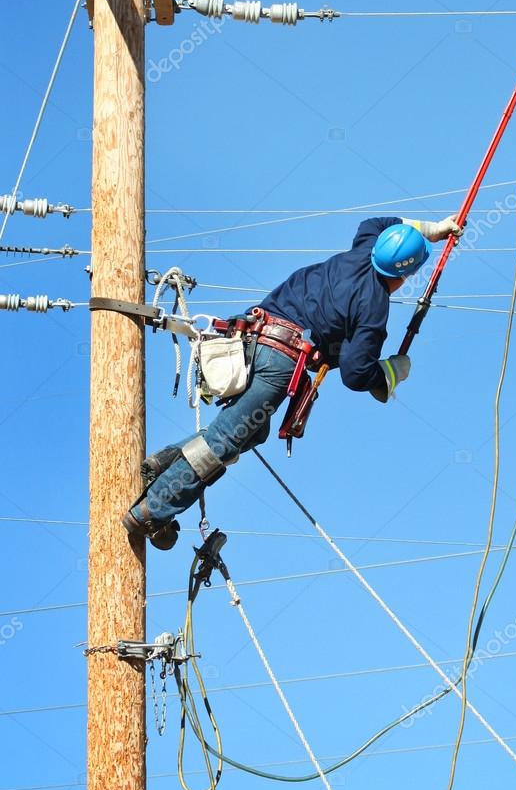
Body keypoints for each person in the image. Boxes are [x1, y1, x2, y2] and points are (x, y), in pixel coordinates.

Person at [123, 216, 462, 549]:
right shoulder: (374, 304)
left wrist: (432, 229)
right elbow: (357, 374)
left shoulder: (365, 248)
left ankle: (163, 464)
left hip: (250, 339)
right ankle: (152, 510)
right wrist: (391, 372)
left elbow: (376, 222)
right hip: (280, 362)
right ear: (407, 274)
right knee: (225, 439)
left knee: (252, 431)